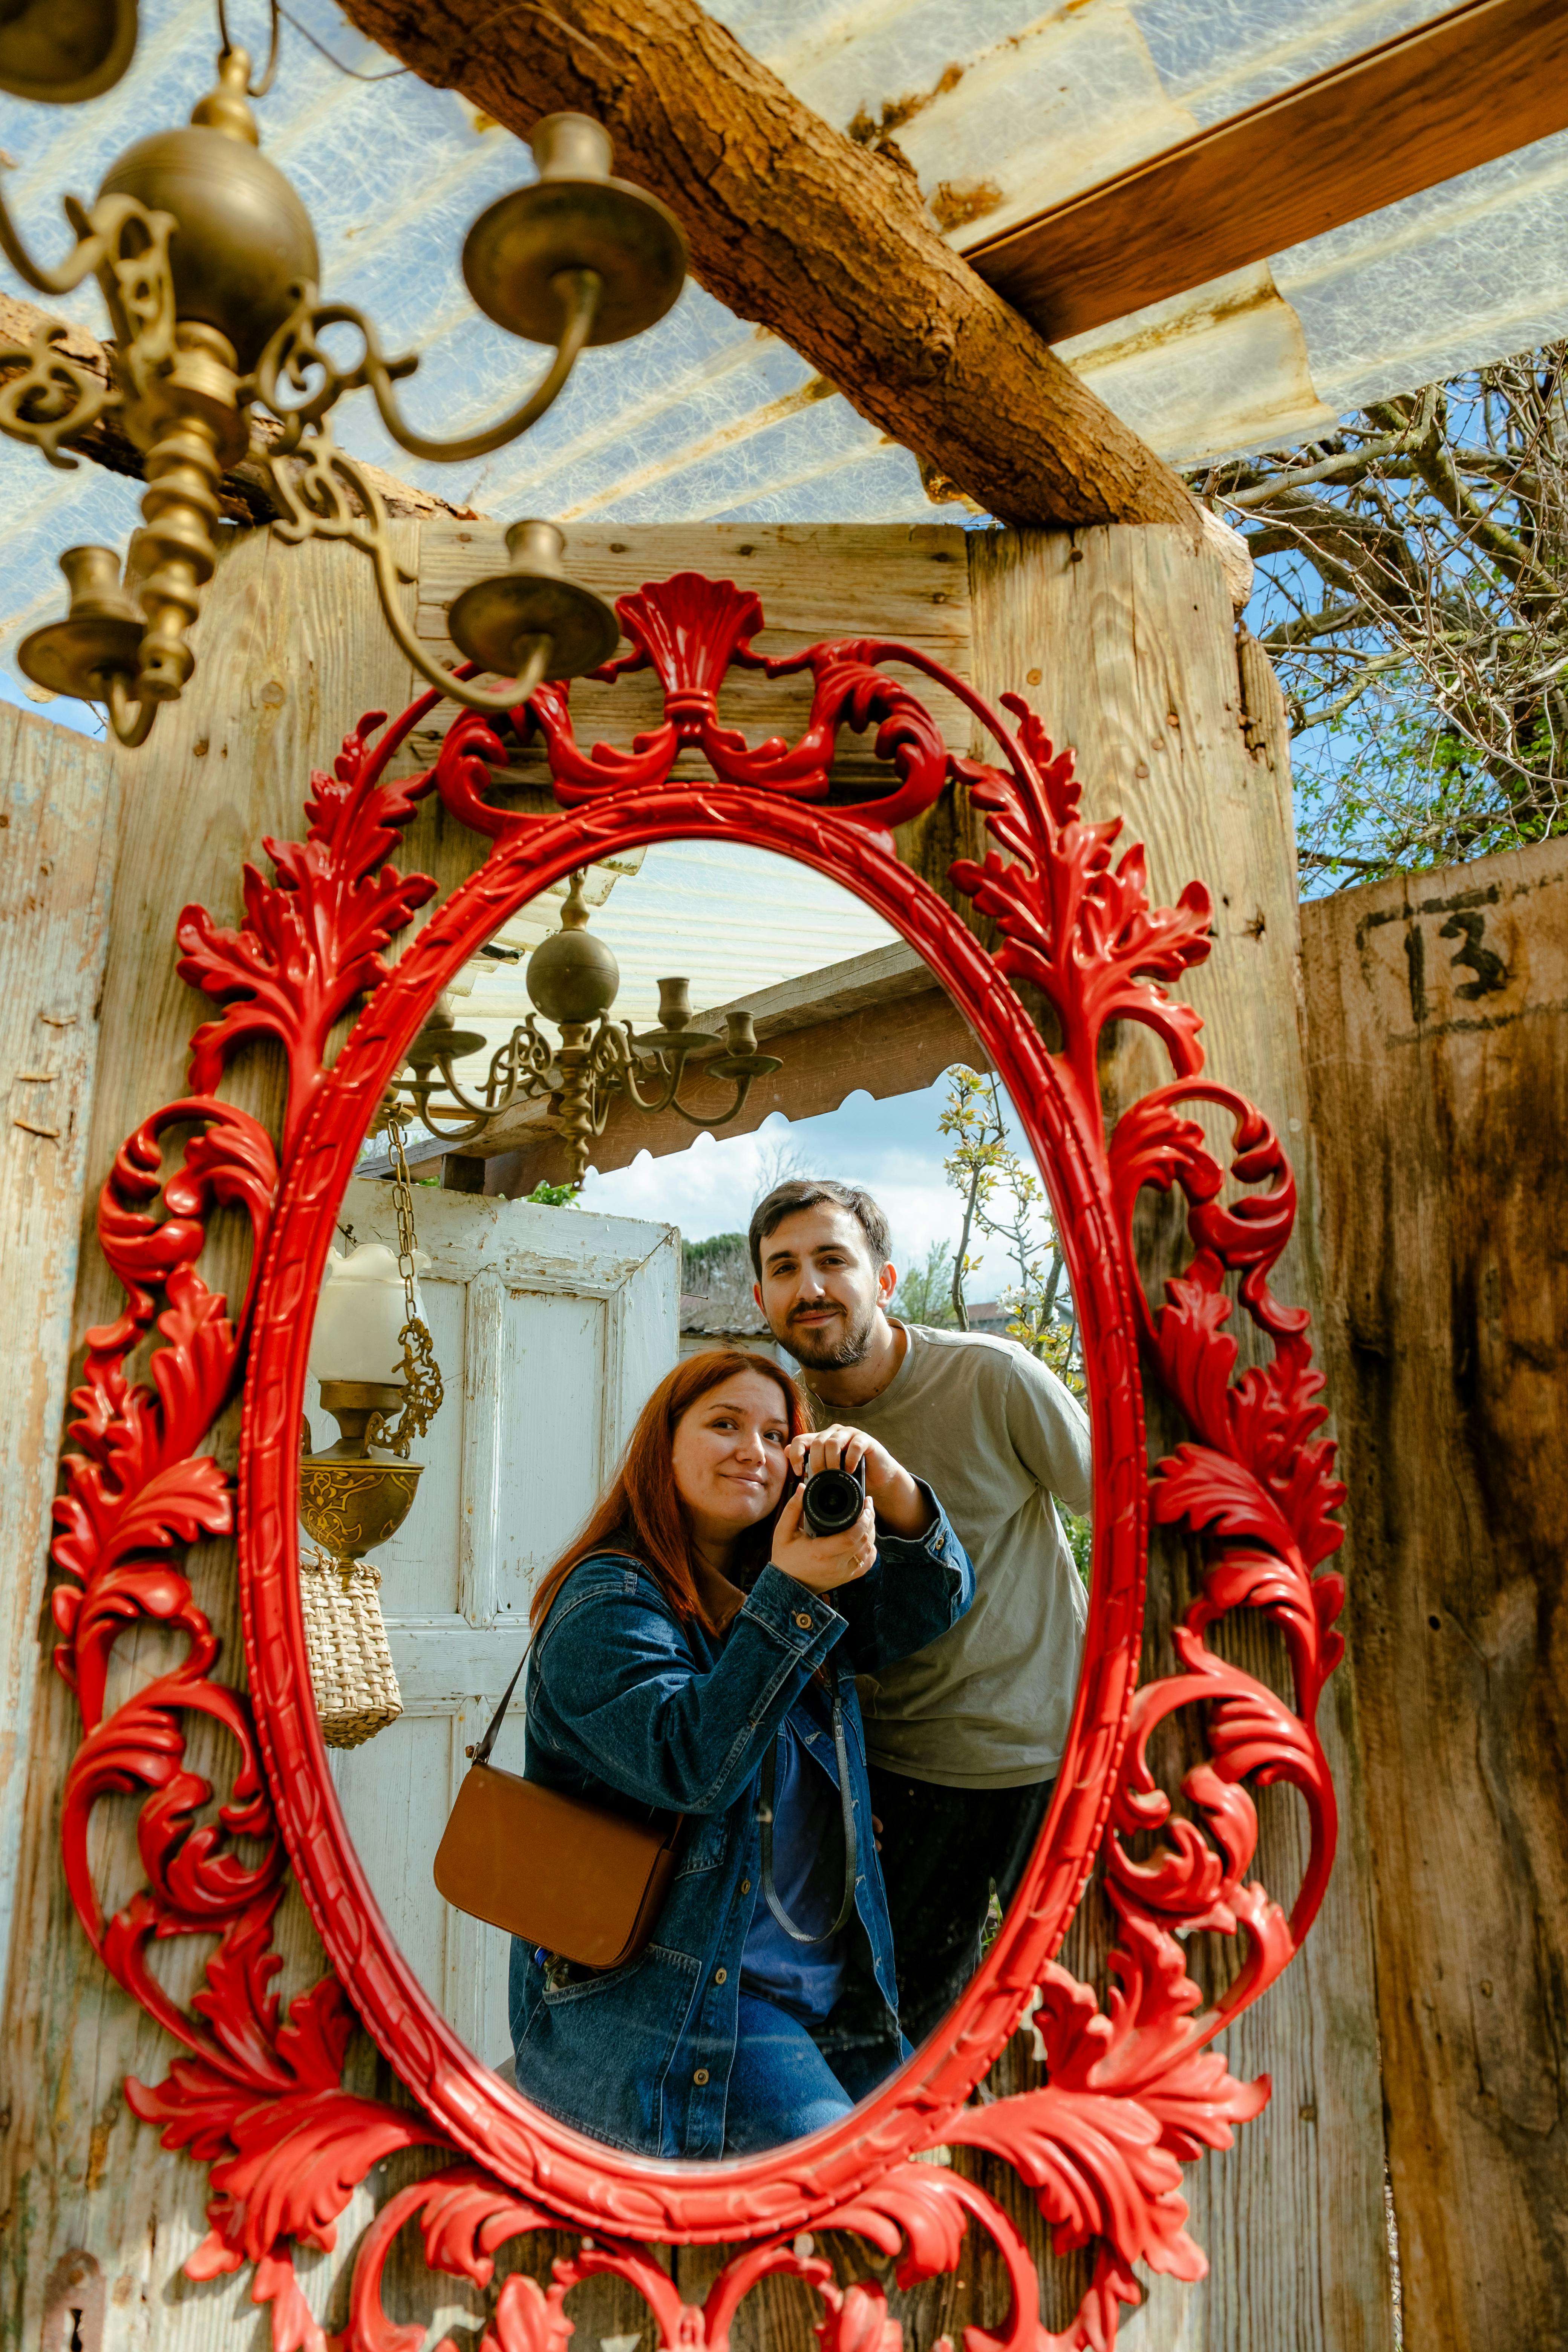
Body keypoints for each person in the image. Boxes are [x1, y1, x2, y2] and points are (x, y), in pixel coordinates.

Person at [508, 1348, 973, 2159]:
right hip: (670, 2009)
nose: (752, 1450)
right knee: (861, 2192)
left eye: (775, 1433)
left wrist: (891, 1487)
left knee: (940, 2168)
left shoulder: (787, 1585)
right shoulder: (605, 1603)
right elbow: (692, 1765)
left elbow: (933, 1602)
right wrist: (791, 1592)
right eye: (724, 1424)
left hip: (830, 1994)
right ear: (666, 1443)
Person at [749, 1178, 1092, 2049]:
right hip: (891, 1780)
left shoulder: (994, 1379)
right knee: (900, 2039)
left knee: (1084, 2020)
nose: (810, 1287)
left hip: (1049, 1759)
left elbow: (1130, 1513)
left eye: (833, 1260)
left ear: (886, 1279)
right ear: (760, 1299)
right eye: (784, 1269)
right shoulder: (773, 1425)